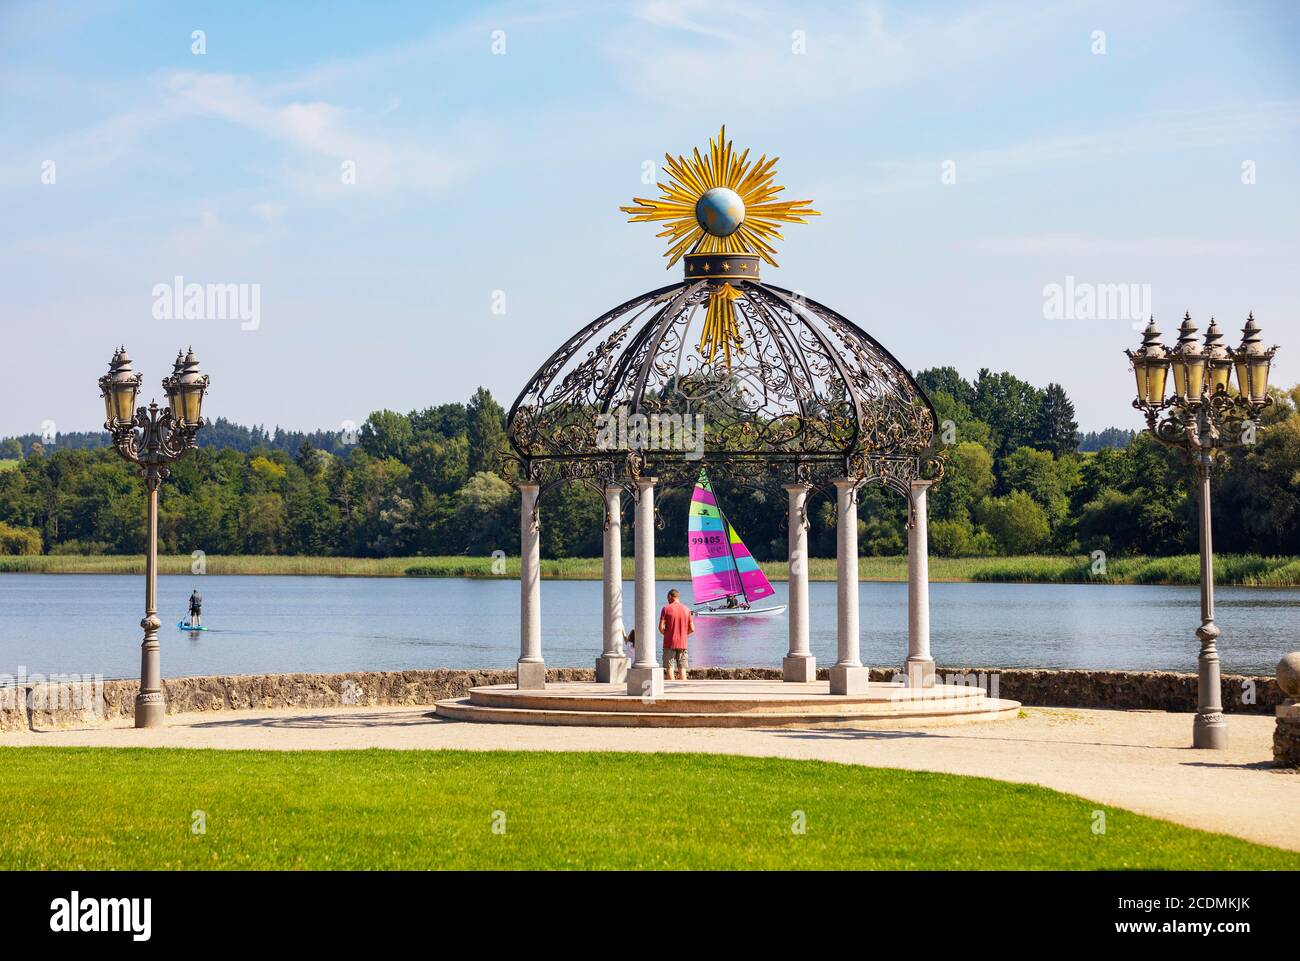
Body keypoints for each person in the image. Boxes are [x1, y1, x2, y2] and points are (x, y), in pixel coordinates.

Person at [658, 588, 694, 681]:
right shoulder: (687, 609)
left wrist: (667, 634)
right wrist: (683, 635)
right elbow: (692, 629)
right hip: (683, 643)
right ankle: (684, 690)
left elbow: (661, 628)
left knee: (669, 668)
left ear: (670, 597)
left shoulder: (666, 609)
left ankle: (671, 690)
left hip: (669, 643)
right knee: (682, 669)